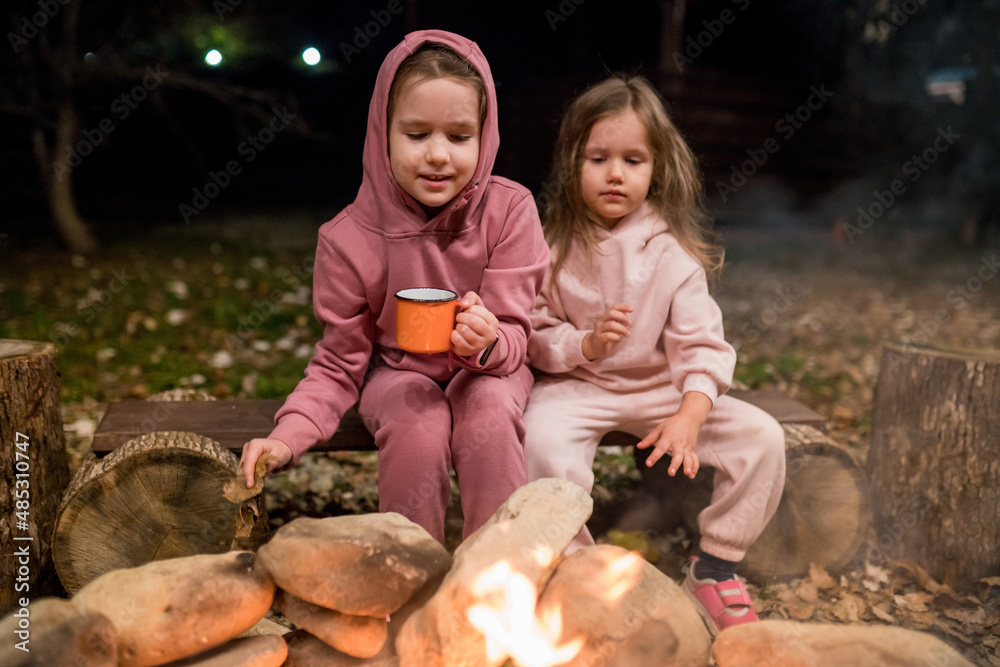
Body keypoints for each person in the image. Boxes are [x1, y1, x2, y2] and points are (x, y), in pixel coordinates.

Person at [239, 30, 549, 545]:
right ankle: (408, 577)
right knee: (416, 423)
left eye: (458, 136)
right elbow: (338, 365)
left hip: (491, 373)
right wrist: (285, 437)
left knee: (489, 409)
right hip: (396, 373)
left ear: (485, 135)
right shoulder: (349, 239)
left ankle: (499, 571)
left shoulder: (509, 211)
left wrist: (489, 342)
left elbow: (516, 335)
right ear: (382, 132)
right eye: (416, 133)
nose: (437, 156)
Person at [524, 76, 785, 634]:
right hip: (578, 389)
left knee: (761, 437)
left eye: (633, 160)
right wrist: (584, 343)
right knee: (540, 439)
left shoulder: (672, 255)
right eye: (598, 158)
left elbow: (702, 347)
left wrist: (690, 416)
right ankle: (573, 568)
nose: (615, 173)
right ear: (573, 164)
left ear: (656, 170)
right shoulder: (554, 247)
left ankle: (715, 566)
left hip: (662, 393)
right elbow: (535, 332)